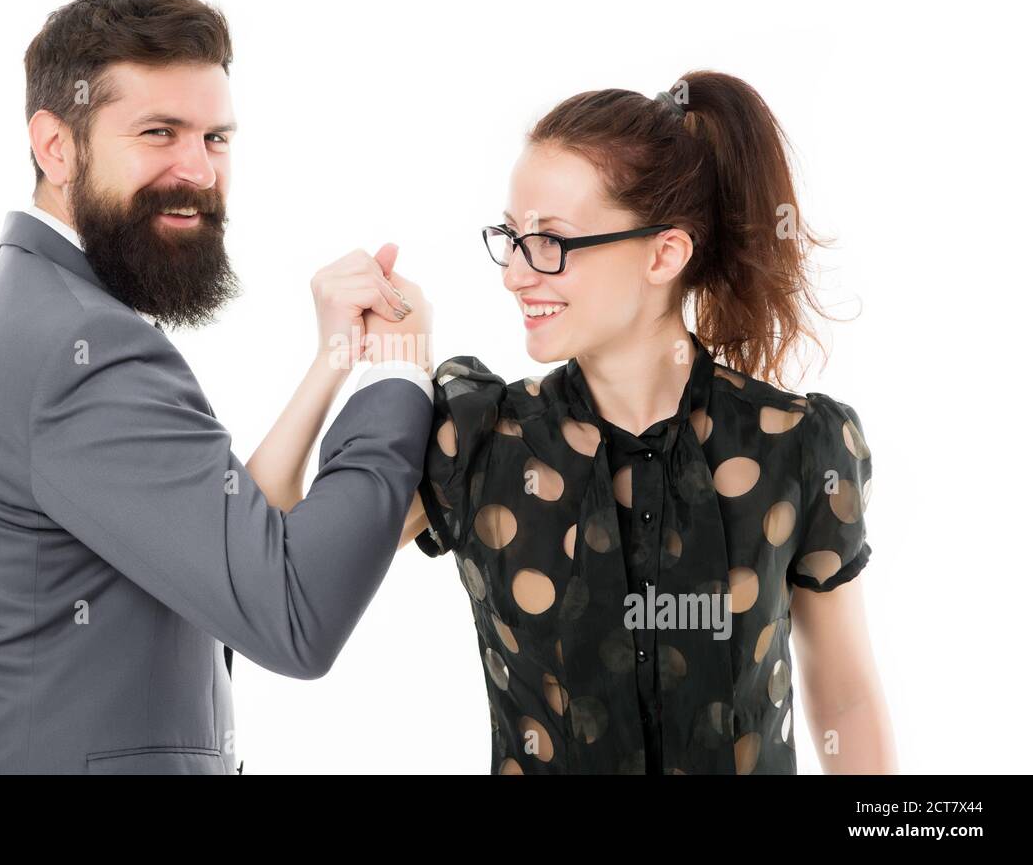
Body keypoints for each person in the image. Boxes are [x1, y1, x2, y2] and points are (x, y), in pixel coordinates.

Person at [0, 0, 434, 774]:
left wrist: (335, 363)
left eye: (216, 137)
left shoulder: (41, 310)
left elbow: (235, 543)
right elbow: (291, 612)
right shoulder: (77, 347)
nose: (198, 169)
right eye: (160, 133)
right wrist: (400, 374)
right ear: (57, 146)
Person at [380, 71, 895, 774]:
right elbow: (286, 569)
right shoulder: (476, 442)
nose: (516, 274)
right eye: (512, 236)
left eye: (551, 241)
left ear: (664, 254)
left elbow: (845, 702)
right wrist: (360, 366)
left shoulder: (797, 448)